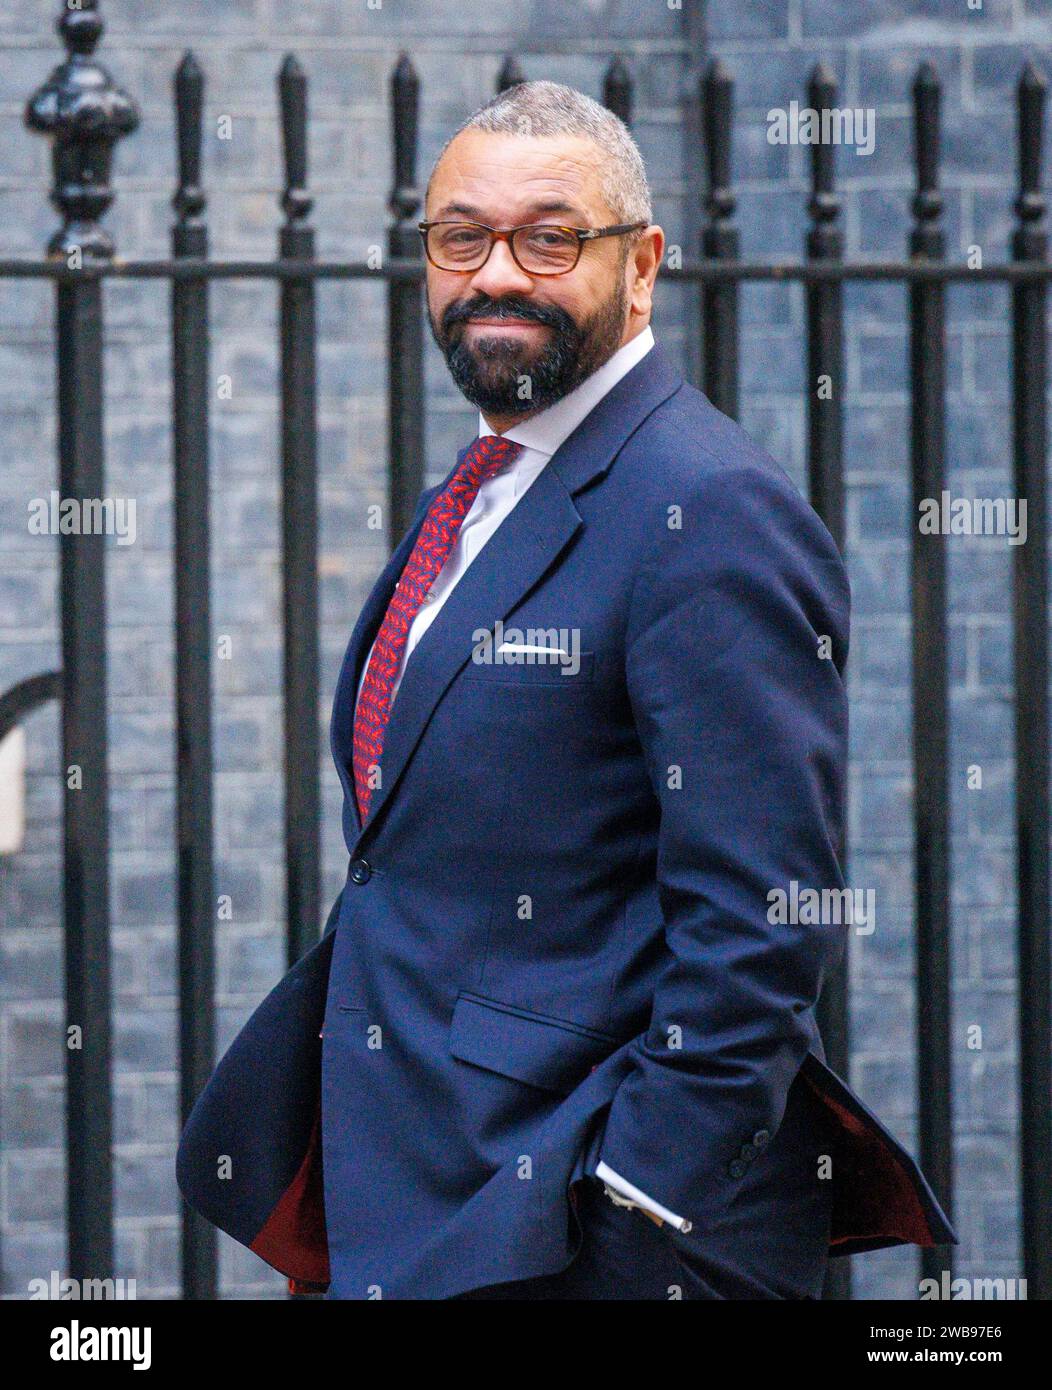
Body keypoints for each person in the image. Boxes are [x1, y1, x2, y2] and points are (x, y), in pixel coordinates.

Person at [178, 80, 955, 1300]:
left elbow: (762, 917)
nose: (496, 274)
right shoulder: (496, 482)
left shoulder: (706, 509)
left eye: (549, 238)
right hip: (437, 1191)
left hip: (580, 1224)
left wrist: (635, 1203)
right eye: (458, 237)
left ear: (640, 266)